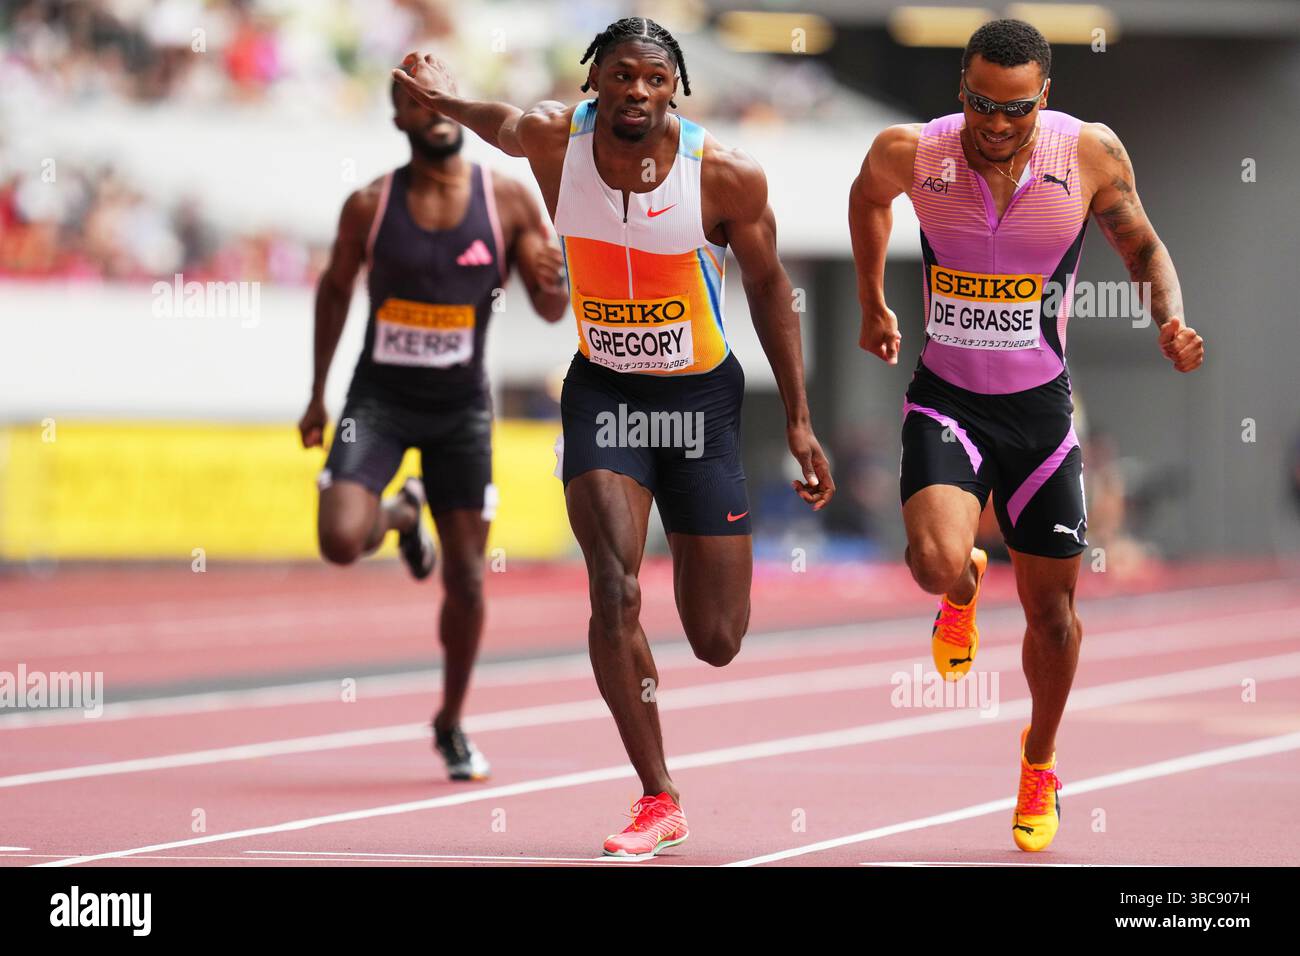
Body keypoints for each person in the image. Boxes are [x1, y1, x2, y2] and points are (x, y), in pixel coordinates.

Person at [392, 15, 834, 858]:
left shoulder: (726, 176)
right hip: (606, 395)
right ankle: (657, 795)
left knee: (717, 639)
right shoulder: (556, 140)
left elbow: (773, 291)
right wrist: (442, 95)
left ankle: (691, 608)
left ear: (677, 88)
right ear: (595, 78)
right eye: (623, 75)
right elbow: (497, 120)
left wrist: (801, 422)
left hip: (702, 403)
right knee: (614, 588)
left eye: (656, 79)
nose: (637, 92)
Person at [849, 18, 1203, 851]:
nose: (996, 125)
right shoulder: (915, 152)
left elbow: (1144, 247)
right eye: (980, 105)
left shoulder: (1088, 155)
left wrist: (1170, 320)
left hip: (1042, 415)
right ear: (960, 93)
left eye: (1015, 109)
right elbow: (867, 199)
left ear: (1045, 97)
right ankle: (963, 587)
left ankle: (1038, 759)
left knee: (1054, 615)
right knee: (933, 562)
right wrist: (871, 300)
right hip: (947, 398)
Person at [298, 74, 569, 782]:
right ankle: (399, 510)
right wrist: (317, 395)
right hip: (379, 399)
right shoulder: (370, 205)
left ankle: (450, 721)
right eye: (412, 97)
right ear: (399, 118)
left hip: (460, 412)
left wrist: (554, 280)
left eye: (438, 92)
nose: (430, 108)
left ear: (457, 105)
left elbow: (548, 310)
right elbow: (333, 293)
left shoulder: (506, 198)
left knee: (470, 581)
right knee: (339, 538)